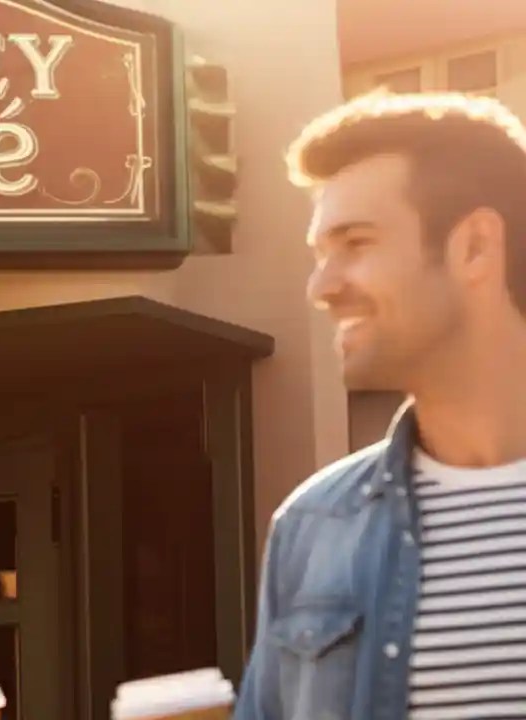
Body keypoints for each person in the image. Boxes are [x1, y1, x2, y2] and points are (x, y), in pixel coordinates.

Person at [235, 91, 526, 719]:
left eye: (356, 243)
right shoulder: (313, 527)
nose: (322, 287)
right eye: (320, 254)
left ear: (475, 246)